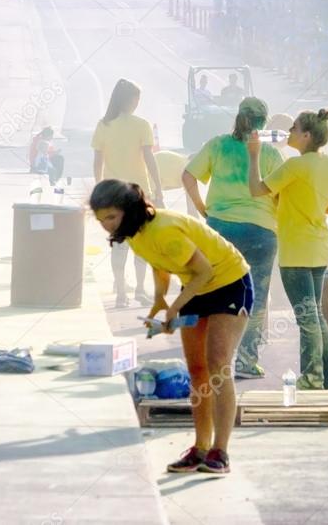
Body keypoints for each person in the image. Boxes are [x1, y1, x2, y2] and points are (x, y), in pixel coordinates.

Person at [90, 180, 251, 475]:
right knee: (198, 370)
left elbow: (206, 270)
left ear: (129, 209)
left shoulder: (163, 229)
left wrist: (175, 307)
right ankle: (200, 447)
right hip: (196, 287)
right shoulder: (135, 232)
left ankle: (221, 451)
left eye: (111, 217)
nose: (106, 226)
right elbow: (159, 263)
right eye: (101, 220)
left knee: (218, 364)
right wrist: (159, 299)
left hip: (229, 282)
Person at [183, 98, 283, 379]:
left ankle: (212, 358)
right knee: (256, 297)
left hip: (221, 230)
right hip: (261, 232)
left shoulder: (217, 145)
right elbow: (281, 194)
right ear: (264, 124)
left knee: (214, 292)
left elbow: (188, 177)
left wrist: (204, 209)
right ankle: (247, 362)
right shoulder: (272, 155)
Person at [247, 109, 328, 390]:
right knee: (315, 313)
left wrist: (254, 156)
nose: (289, 132)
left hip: (296, 249)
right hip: (319, 245)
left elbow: (256, 189)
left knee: (307, 317)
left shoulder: (294, 167)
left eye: (294, 128)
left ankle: (313, 377)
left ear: (306, 135)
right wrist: (301, 202)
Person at [92, 79, 164, 308]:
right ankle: (140, 289)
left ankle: (121, 292)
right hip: (138, 193)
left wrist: (98, 186)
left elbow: (97, 161)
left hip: (113, 194)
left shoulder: (104, 125)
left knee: (119, 243)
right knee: (141, 242)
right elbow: (149, 159)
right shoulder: (141, 125)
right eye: (137, 99)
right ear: (130, 100)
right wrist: (158, 188)